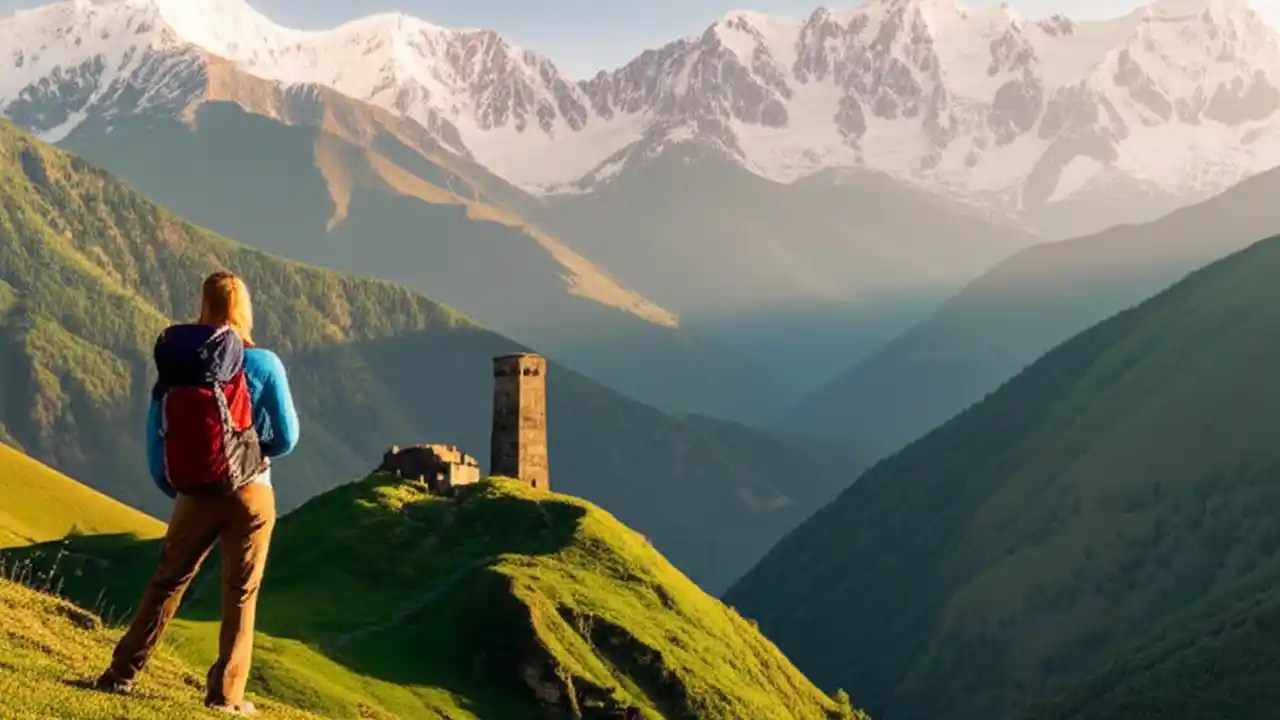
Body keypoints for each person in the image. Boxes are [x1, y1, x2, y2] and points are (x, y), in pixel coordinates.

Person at [96, 271, 299, 716]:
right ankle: (225, 697)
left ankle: (120, 674)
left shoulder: (179, 363)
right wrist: (251, 450)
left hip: (193, 493)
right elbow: (287, 437)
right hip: (251, 493)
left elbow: (156, 434)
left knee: (167, 582)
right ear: (244, 308)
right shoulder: (264, 364)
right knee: (241, 593)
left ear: (204, 305)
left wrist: (175, 482)